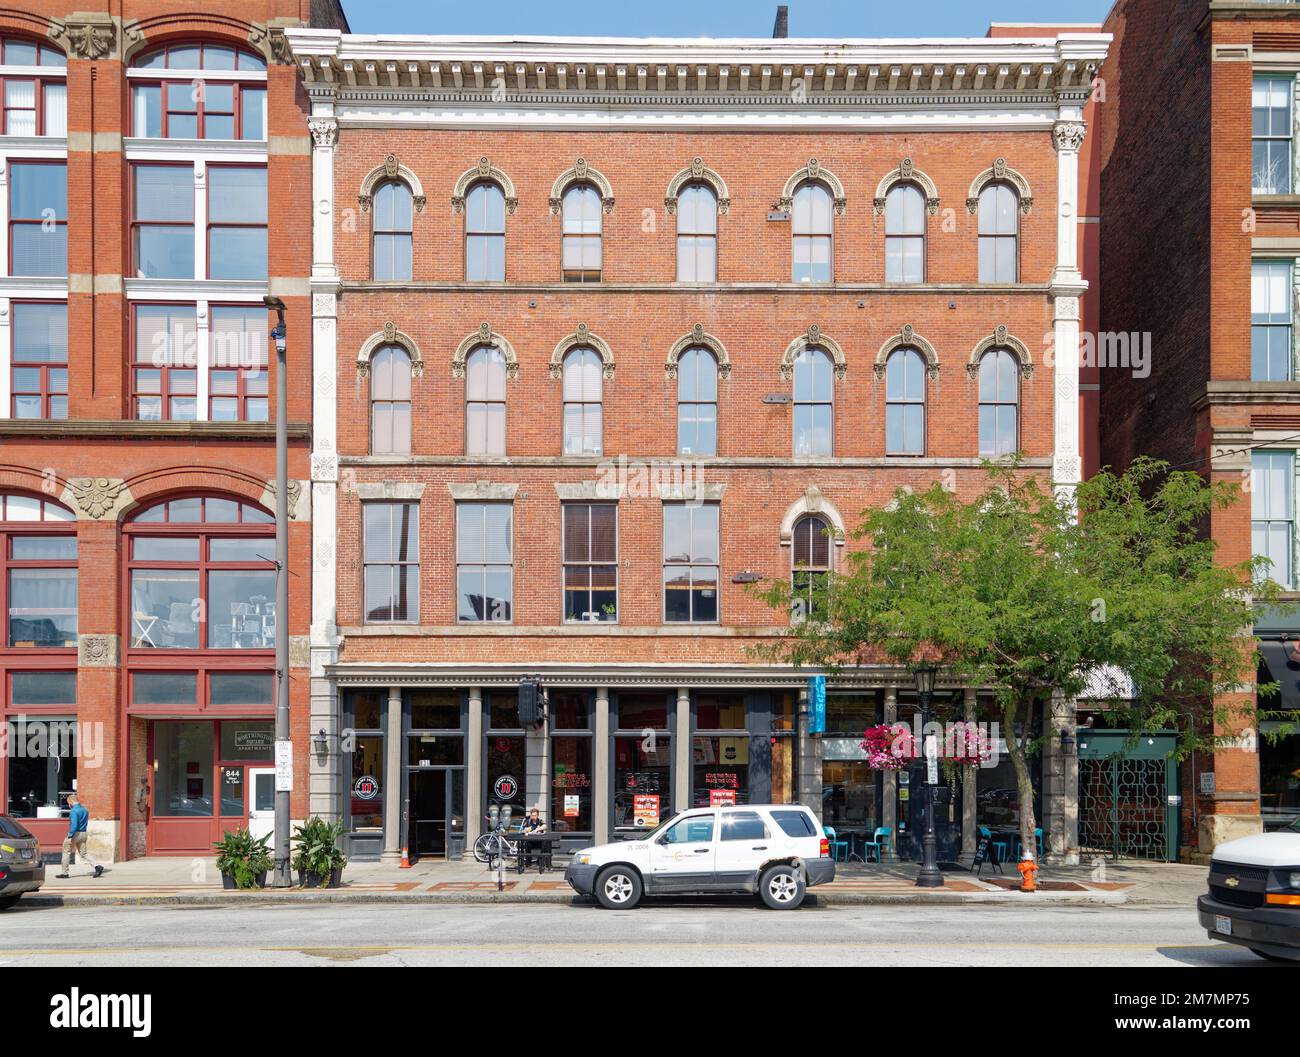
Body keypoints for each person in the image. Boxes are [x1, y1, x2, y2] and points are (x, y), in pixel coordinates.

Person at [56, 793, 103, 879]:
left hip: (75, 834)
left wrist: (70, 836)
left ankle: (64, 873)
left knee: (66, 852)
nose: (68, 805)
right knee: (83, 854)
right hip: (83, 833)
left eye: (68, 803)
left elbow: (74, 825)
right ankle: (97, 866)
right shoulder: (85, 810)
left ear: (71, 801)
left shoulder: (74, 811)